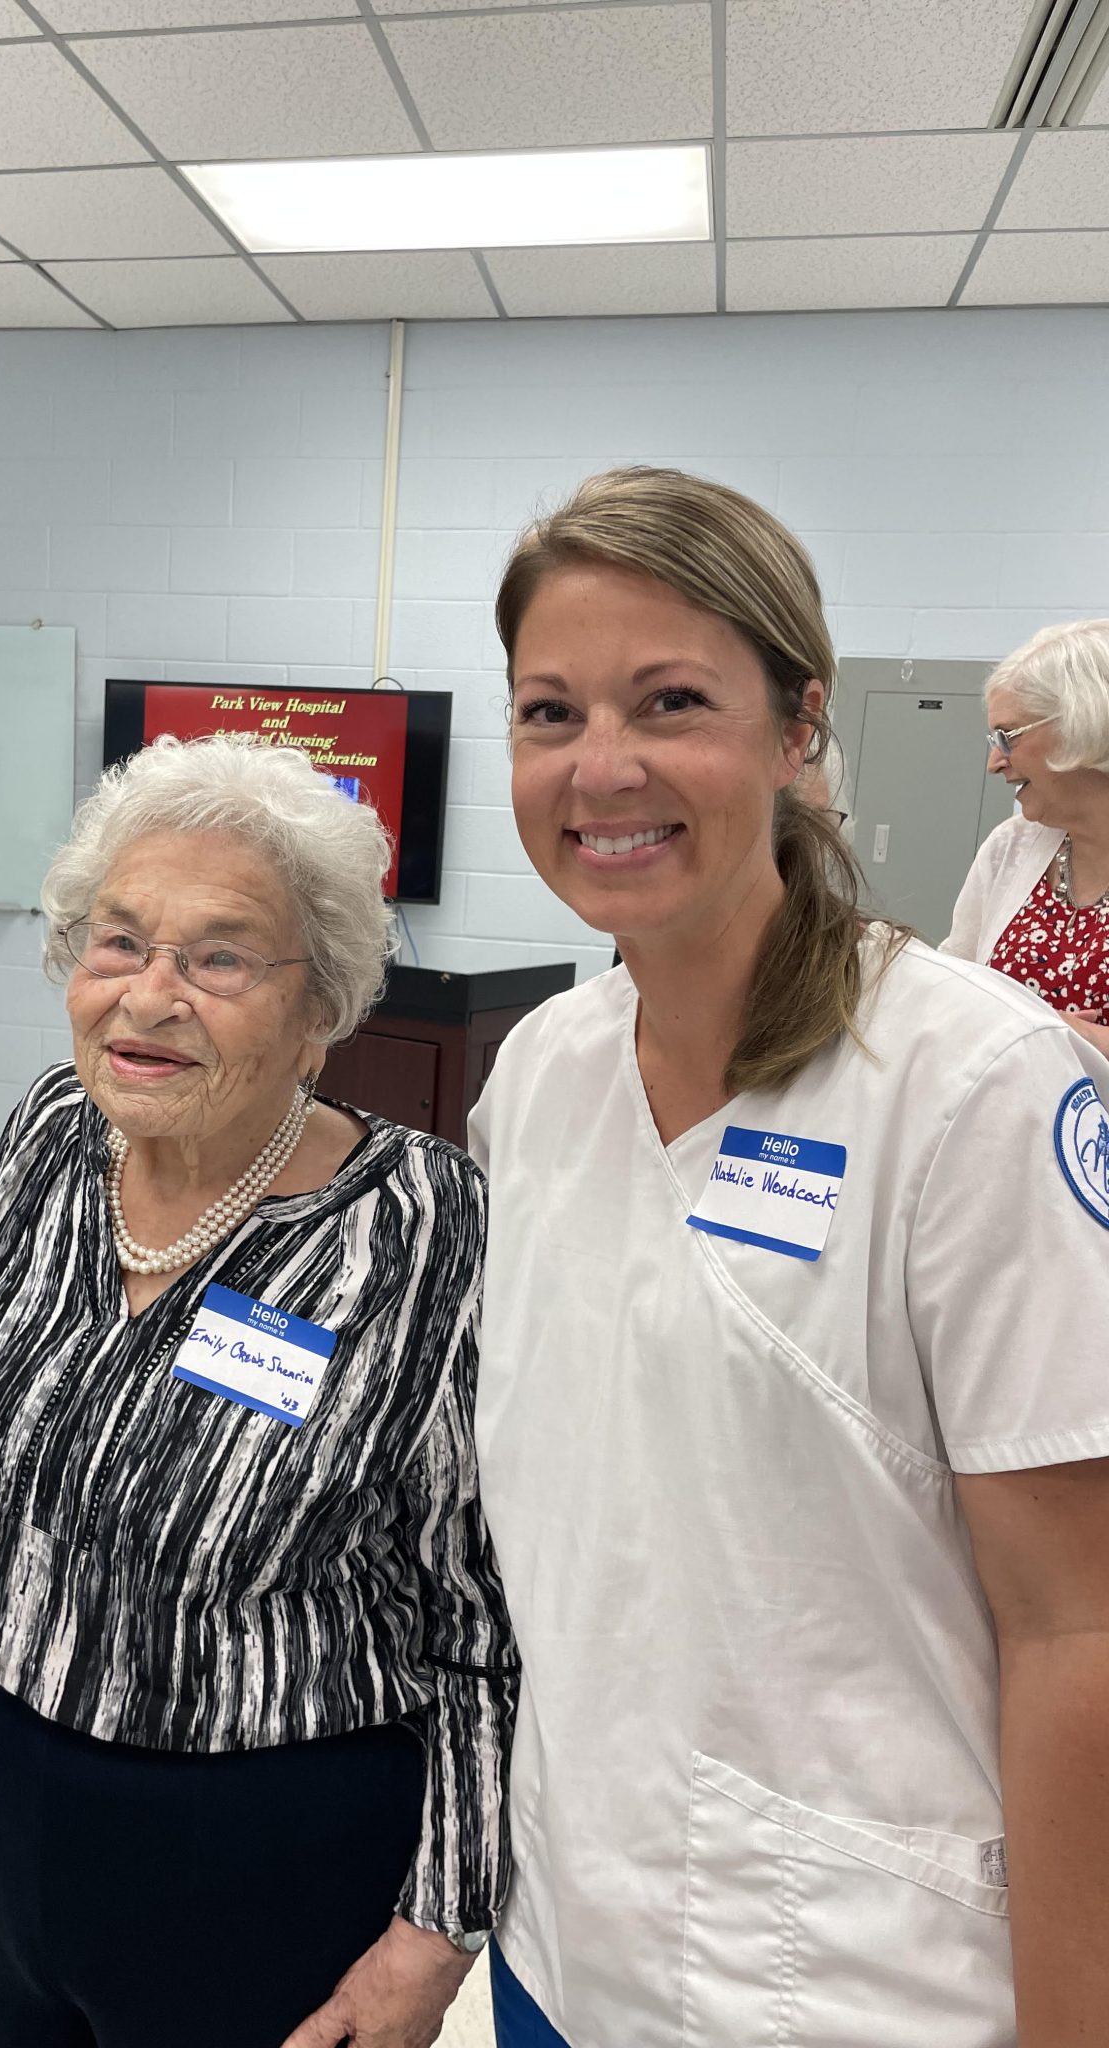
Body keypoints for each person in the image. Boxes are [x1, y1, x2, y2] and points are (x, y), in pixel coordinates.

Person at [469, 467, 1109, 2048]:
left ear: (797, 726)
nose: (600, 767)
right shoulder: (540, 1073)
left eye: (671, 701)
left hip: (860, 1977)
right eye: (550, 713)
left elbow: (1078, 1628)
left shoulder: (969, 1084)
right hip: (564, 1939)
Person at [0, 735, 517, 2048]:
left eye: (220, 958)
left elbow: (485, 1617)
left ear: (321, 1007)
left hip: (259, 1851)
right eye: (119, 941)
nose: (149, 997)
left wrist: (437, 1934)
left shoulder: (425, 1231)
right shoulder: (52, 1135)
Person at [942, 619, 1109, 1058]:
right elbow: (952, 991)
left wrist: (1087, 1041)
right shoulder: (1009, 849)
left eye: (1007, 737)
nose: (995, 762)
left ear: (1085, 724)